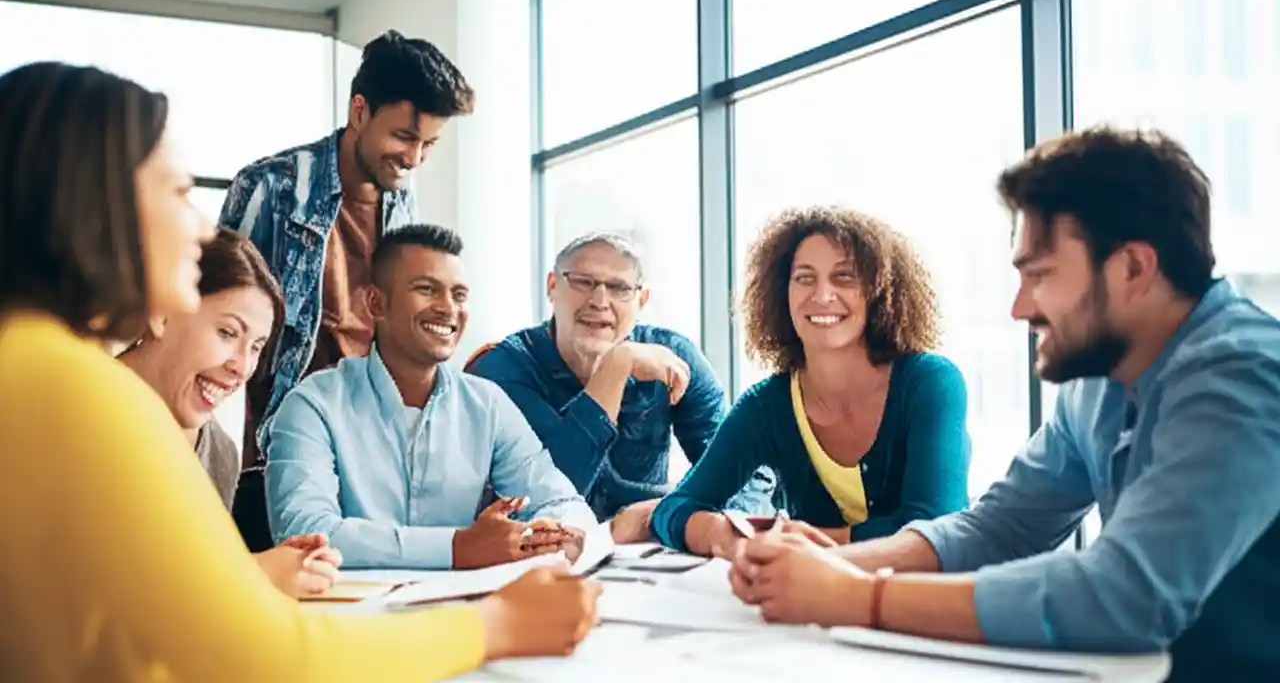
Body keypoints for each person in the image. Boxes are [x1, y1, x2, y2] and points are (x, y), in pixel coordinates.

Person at [0, 61, 598, 682]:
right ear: (95, 201)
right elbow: (265, 656)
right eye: (178, 192)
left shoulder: (36, 368)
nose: (206, 231)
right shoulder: (77, 388)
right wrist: (497, 626)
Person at [727, 129, 1280, 682]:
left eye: (1039, 276)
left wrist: (860, 597)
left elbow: (1126, 595)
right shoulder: (1101, 381)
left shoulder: (1242, 376)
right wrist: (828, 564)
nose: (1019, 309)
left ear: (1133, 269)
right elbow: (1001, 528)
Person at [266, 224, 598, 570]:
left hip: (469, 611)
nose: (447, 308)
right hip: (348, 616)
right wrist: (457, 547)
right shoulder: (312, 404)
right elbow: (303, 533)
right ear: (375, 303)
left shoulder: (487, 404)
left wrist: (547, 534)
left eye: (459, 295)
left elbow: (561, 500)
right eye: (427, 289)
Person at [650, 207, 970, 556]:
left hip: (926, 597)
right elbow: (674, 508)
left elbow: (934, 525)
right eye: (804, 277)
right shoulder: (767, 405)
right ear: (781, 292)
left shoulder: (930, 381)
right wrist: (719, 533)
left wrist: (795, 540)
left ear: (879, 292)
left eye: (844, 277)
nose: (822, 295)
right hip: (814, 601)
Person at [219, 29, 474, 463]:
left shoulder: (403, 199)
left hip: (365, 435)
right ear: (360, 111)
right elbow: (219, 317)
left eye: (428, 144)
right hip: (277, 438)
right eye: (404, 137)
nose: (414, 158)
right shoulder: (271, 186)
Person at [467, 232, 775, 539]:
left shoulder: (674, 357)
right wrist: (614, 369)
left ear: (641, 300)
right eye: (583, 282)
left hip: (650, 549)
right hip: (543, 554)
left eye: (619, 288)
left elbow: (745, 476)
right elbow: (545, 498)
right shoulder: (504, 368)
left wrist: (691, 521)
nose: (600, 301)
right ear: (552, 287)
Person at [118, 227, 342, 598]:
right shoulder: (81, 412)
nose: (242, 367)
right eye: (226, 332)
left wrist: (276, 566)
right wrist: (254, 573)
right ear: (162, 313)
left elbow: (189, 587)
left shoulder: (218, 452)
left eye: (256, 347)